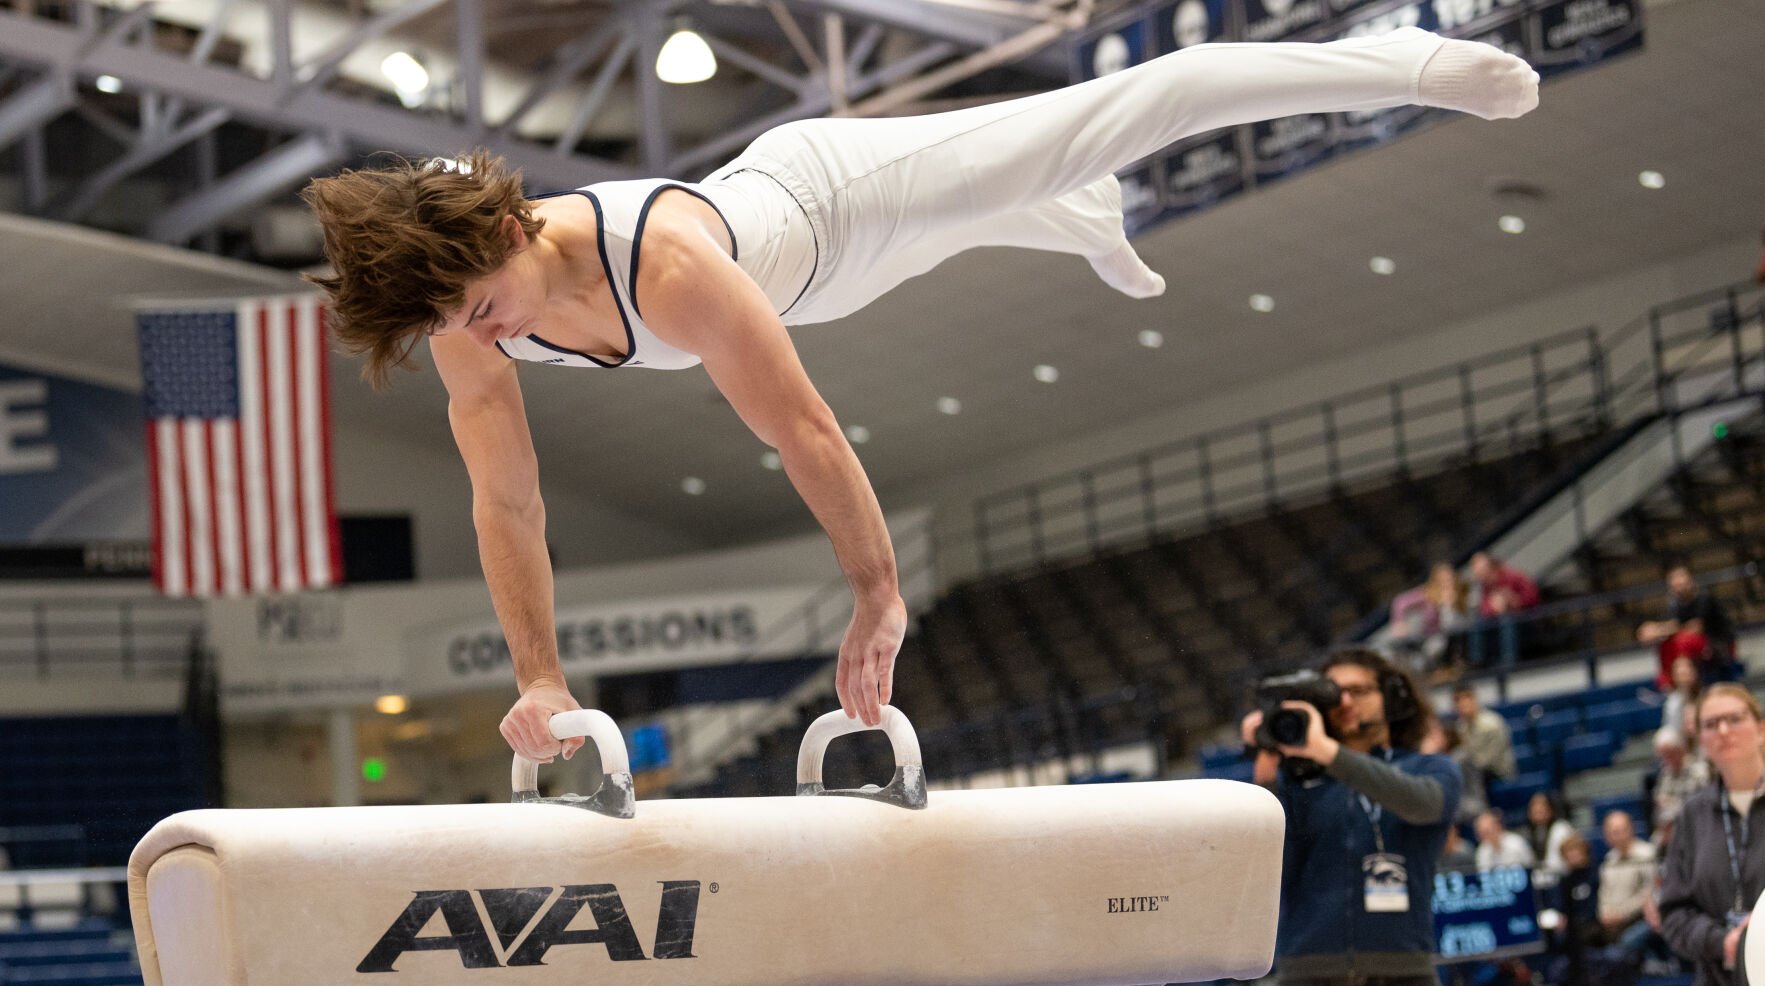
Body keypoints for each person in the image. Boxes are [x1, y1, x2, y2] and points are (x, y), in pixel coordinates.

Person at [302, 33, 1541, 758]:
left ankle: (1408, 61)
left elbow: (801, 430)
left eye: (482, 304)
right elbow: (508, 509)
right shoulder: (467, 321)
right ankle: (1076, 217)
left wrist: (877, 592)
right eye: (458, 327)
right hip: (815, 290)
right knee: (1014, 212)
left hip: (839, 198)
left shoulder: (668, 270)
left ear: (514, 224)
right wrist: (541, 680)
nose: (486, 335)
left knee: (1115, 113)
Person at [1239, 647, 1483, 986]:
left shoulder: (1431, 768)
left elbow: (1420, 803)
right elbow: (1257, 857)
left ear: (1391, 697)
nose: (1344, 700)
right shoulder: (1298, 786)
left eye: (1358, 689)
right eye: (1334, 692)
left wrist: (1330, 754)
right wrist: (1264, 773)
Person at [1658, 683, 1765, 986]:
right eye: (1710, 723)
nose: (1723, 731)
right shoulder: (1694, 816)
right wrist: (1721, 943)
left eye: (1734, 718)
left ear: (1760, 726)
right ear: (1699, 737)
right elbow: (1674, 912)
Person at [1638, 565, 1737, 687]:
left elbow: (1694, 628)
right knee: (1666, 643)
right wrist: (1655, 630)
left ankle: (1680, 677)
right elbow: (1674, 624)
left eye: (1681, 582)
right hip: (1699, 644)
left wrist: (1660, 630)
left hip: (1718, 644)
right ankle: (1669, 681)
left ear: (1690, 581)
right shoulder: (1675, 604)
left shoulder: (1704, 599)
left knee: (1681, 641)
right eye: (1675, 584)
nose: (1679, 587)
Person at [1387, 561, 1467, 677]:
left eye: (1449, 578)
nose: (1446, 582)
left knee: (1439, 644)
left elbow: (1453, 625)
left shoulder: (1461, 594)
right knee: (1400, 645)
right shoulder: (1427, 593)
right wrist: (1399, 622)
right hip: (1427, 634)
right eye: (1442, 579)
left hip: (1450, 636)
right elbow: (1400, 602)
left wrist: (1448, 606)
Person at [1597, 810, 1659, 951]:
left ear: (1632, 829)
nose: (1618, 836)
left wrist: (1622, 914)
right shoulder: (1609, 860)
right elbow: (1604, 893)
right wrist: (1605, 913)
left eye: (1621, 830)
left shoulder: (1648, 855)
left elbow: (1650, 892)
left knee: (1623, 945)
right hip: (1611, 921)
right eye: (1613, 832)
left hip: (1643, 919)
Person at [1450, 684, 1515, 817]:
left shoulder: (1492, 724)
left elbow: (1490, 759)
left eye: (1465, 700)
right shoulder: (1459, 727)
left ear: (1474, 699)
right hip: (1472, 770)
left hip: (1497, 771)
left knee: (1468, 771)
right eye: (1458, 701)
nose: (1462, 706)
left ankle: (1479, 812)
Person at [1466, 551, 1540, 668]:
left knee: (1507, 620)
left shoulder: (1513, 576)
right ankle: (1478, 661)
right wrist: (1493, 607)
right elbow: (1484, 608)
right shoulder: (1484, 585)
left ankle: (1509, 661)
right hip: (1499, 618)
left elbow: (1532, 596)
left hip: (1525, 617)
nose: (1477, 572)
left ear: (1489, 566)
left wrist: (1513, 601)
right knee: (1477, 622)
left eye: (1480, 568)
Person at [1644, 726, 1712, 835]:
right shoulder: (1665, 775)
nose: (1665, 760)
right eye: (1662, 756)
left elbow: (1705, 805)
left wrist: (1673, 805)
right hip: (1674, 831)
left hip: (1699, 827)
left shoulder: (1699, 772)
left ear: (1681, 750)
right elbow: (1659, 811)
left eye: (1669, 755)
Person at [1523, 790, 1576, 883]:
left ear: (1551, 809)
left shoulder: (1561, 828)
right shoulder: (1536, 832)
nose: (1537, 809)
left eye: (1542, 806)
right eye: (1534, 807)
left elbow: (1557, 864)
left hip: (1564, 878)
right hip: (1544, 879)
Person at [1659, 653, 1704, 743]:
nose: (1684, 677)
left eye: (1686, 672)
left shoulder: (1705, 696)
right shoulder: (1672, 702)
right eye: (1680, 674)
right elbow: (1671, 727)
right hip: (1681, 740)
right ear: (1674, 676)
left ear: (1694, 672)